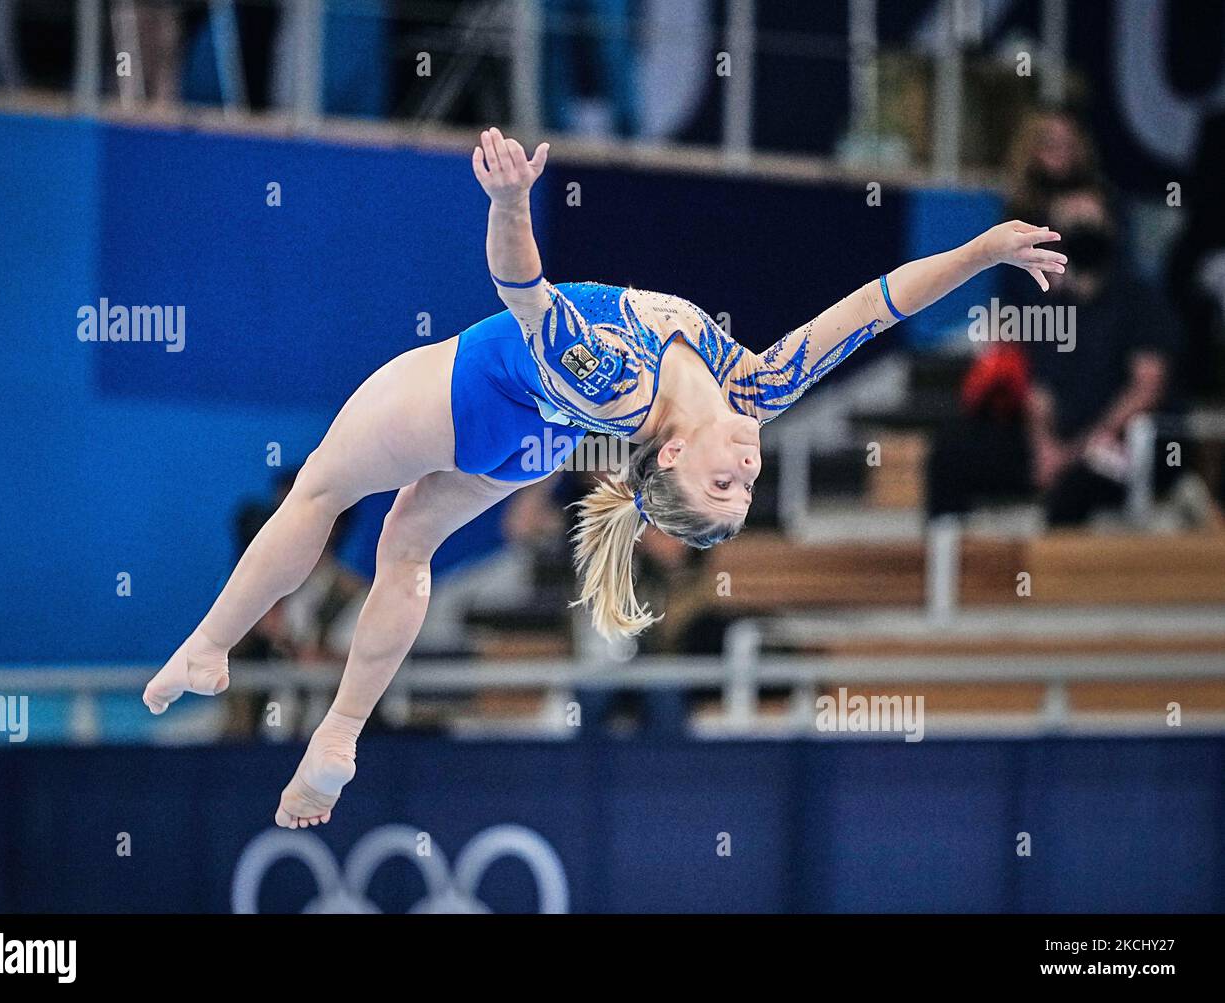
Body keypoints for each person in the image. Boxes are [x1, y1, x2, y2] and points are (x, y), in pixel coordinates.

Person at [142, 127, 1067, 828]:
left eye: (722, 487)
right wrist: (983, 252)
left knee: (322, 488)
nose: (745, 475)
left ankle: (212, 642)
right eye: (744, 491)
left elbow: (524, 294)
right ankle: (338, 734)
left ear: (671, 457)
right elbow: (880, 304)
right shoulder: (761, 382)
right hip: (530, 444)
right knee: (407, 545)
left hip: (475, 391)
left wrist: (508, 203)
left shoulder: (620, 377)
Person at [926, 185, 1179, 525]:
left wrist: (1073, 453)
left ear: (1111, 227)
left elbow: (1146, 388)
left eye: (1089, 222)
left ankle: (1051, 577)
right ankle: (952, 568)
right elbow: (1038, 393)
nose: (1083, 233)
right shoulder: (1048, 307)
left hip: (1121, 445)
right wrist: (1044, 448)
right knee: (951, 452)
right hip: (1056, 444)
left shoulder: (1141, 301)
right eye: (1072, 225)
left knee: (1077, 485)